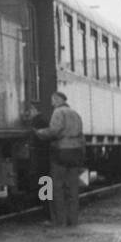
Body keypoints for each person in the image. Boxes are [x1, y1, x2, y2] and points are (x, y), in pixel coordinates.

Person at [34, 90, 86, 226]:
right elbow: (82, 136)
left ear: (57, 100)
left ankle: (59, 221)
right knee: (73, 189)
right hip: (75, 153)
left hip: (61, 153)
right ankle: (73, 220)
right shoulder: (75, 114)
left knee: (57, 188)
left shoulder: (58, 113)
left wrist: (38, 133)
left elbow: (54, 131)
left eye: (52, 100)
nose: (51, 103)